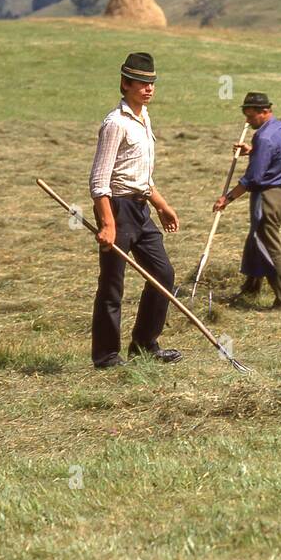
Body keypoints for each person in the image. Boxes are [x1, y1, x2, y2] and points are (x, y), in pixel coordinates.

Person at [88, 52, 182, 368]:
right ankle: (106, 355)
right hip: (117, 208)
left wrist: (163, 206)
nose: (148, 88)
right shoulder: (115, 124)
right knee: (113, 284)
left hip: (141, 210)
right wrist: (108, 223)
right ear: (125, 84)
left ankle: (144, 345)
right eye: (141, 83)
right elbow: (100, 180)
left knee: (163, 274)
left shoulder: (144, 119)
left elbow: (140, 175)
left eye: (151, 83)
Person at [214, 92, 281, 308]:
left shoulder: (264, 137)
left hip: (267, 197)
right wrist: (254, 152)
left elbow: (253, 178)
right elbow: (272, 155)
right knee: (254, 241)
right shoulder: (279, 128)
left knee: (268, 246)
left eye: (251, 117)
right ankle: (251, 289)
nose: (248, 121)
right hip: (280, 195)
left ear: (264, 112)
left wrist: (228, 198)